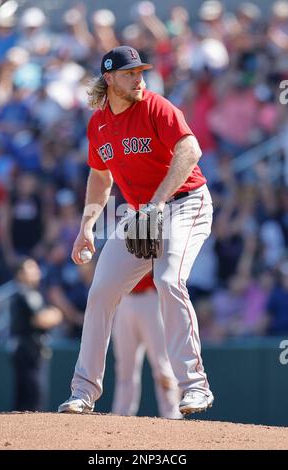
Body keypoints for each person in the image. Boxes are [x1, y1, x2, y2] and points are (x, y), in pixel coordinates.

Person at [58, 45, 214, 416]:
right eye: (129, 73)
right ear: (109, 78)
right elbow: (99, 177)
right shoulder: (98, 124)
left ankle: (195, 387)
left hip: (186, 202)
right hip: (143, 213)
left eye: (140, 71)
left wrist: (157, 204)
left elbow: (191, 150)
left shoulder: (156, 107)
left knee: (168, 280)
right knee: (101, 290)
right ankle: (82, 391)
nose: (138, 77)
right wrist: (87, 227)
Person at [112, 273, 181, 419]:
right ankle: (121, 414)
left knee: (162, 365)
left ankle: (172, 414)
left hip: (152, 298)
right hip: (124, 300)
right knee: (125, 367)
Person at [10, 258, 62, 411]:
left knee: (27, 397)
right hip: (29, 350)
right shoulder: (25, 292)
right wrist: (57, 313)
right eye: (31, 269)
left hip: (27, 348)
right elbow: (41, 319)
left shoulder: (30, 292)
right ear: (20, 274)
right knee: (33, 398)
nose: (37, 271)